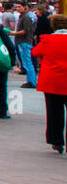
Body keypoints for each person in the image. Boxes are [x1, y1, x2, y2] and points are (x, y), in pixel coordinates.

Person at [31, 14, 67, 154]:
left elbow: (35, 52)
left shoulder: (48, 39)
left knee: (54, 113)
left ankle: (57, 141)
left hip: (52, 82)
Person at [16, 1, 39, 88]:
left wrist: (13, 33)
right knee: (26, 62)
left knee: (28, 62)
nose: (17, 9)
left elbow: (26, 31)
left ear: (25, 7)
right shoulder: (22, 16)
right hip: (22, 41)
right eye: (17, 7)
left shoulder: (26, 17)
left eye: (19, 6)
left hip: (25, 41)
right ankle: (30, 80)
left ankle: (32, 81)